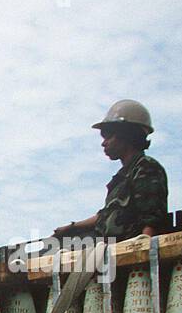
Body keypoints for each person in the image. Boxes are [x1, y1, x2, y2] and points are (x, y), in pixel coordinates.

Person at [55, 99, 168, 243]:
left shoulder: (146, 168)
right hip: (106, 249)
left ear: (126, 135)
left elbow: (152, 219)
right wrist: (71, 227)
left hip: (126, 249)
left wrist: (143, 252)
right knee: (56, 245)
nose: (104, 143)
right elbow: (105, 216)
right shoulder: (121, 178)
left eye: (109, 136)